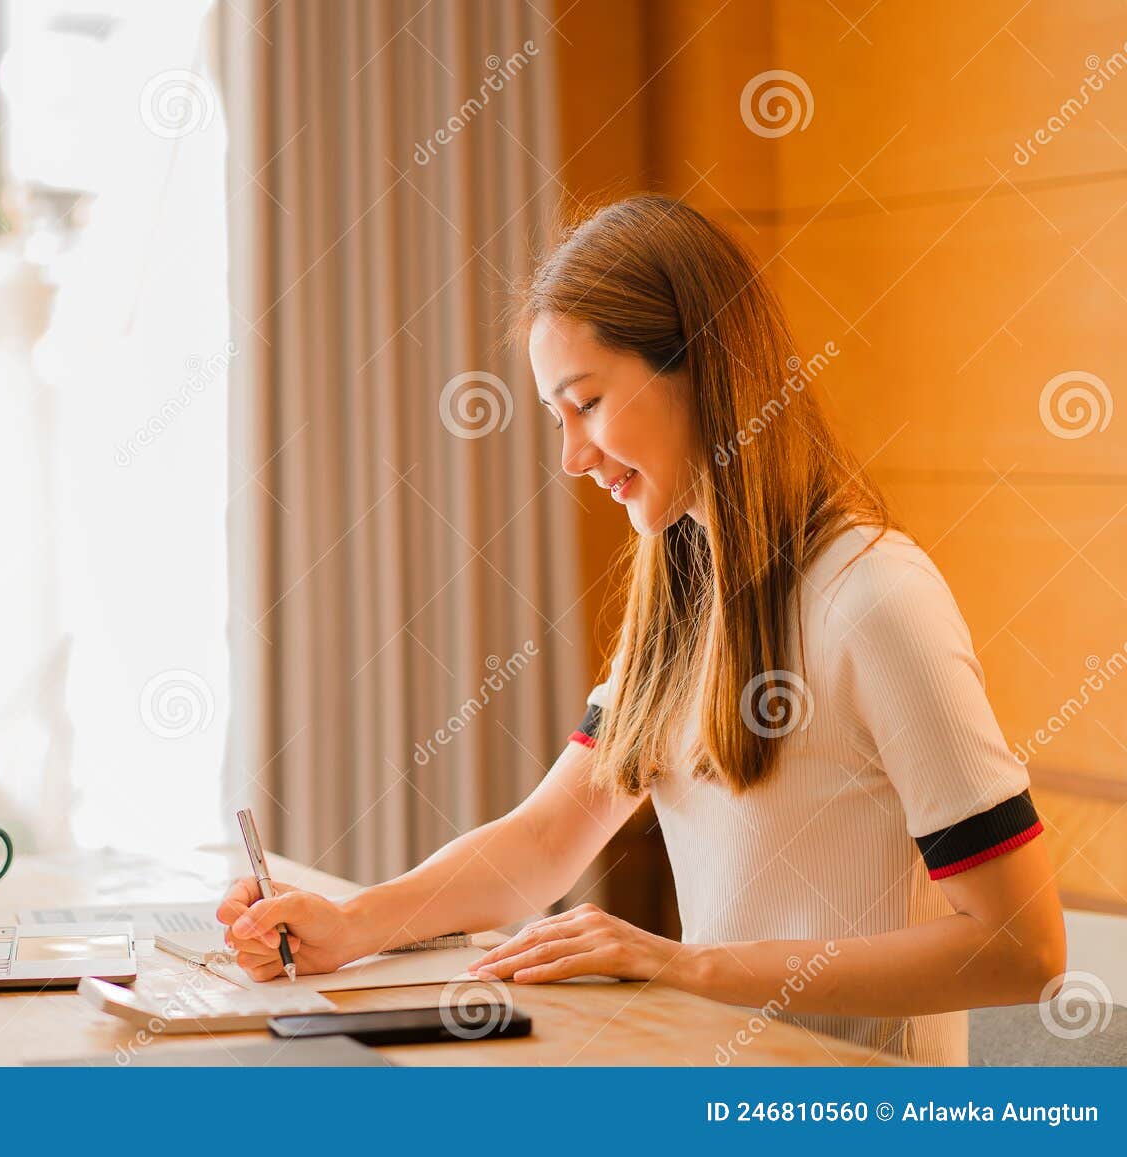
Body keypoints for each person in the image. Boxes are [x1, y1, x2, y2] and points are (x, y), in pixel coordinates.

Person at [216, 195, 1066, 1065]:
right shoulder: (684, 600)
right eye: (559, 416)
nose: (571, 457)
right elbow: (548, 839)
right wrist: (350, 924)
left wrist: (688, 967)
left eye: (585, 403)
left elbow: (1022, 950)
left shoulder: (876, 598)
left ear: (702, 367)